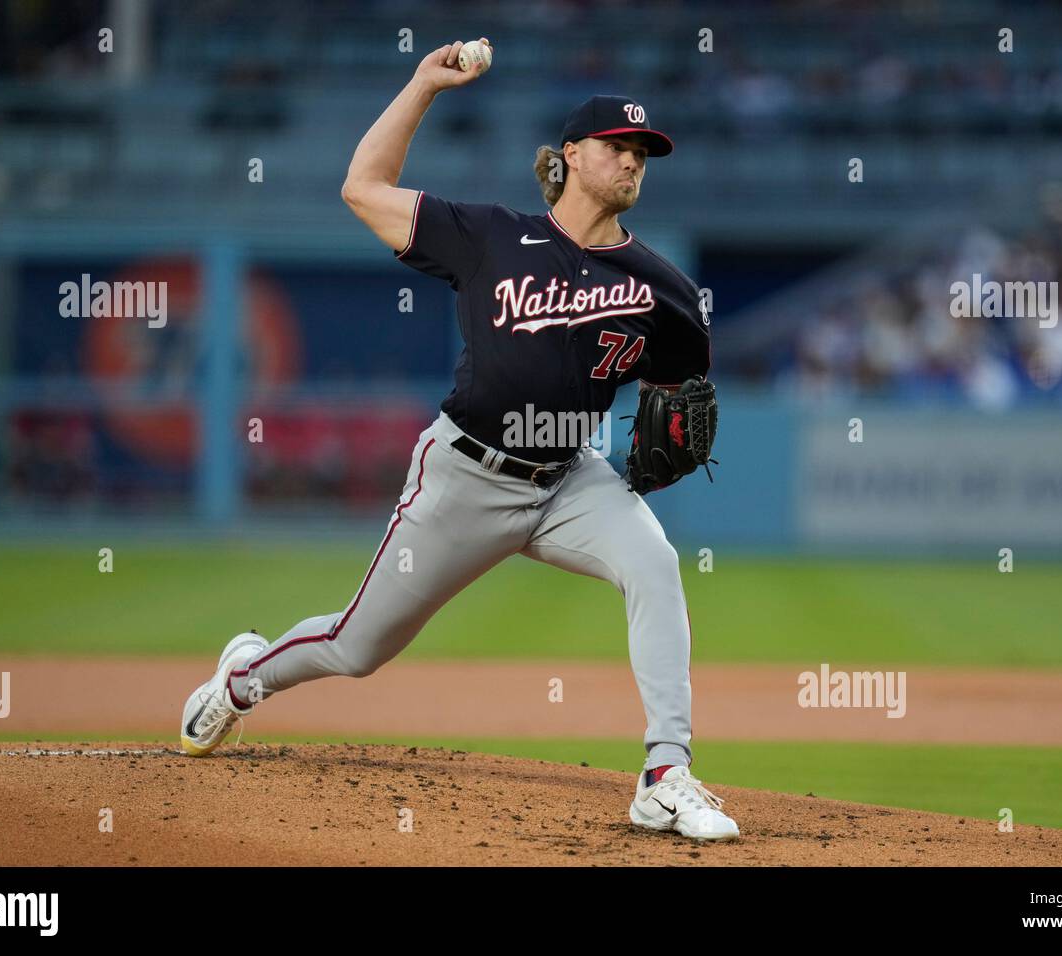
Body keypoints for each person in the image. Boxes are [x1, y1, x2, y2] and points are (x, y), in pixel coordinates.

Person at [179, 38, 737, 841]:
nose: (633, 161)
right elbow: (361, 188)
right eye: (618, 146)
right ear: (572, 155)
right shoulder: (488, 236)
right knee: (356, 647)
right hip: (464, 478)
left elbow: (678, 391)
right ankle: (242, 681)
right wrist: (421, 85)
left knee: (654, 561)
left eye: (643, 152)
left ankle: (664, 773)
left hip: (569, 479)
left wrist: (665, 430)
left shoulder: (665, 289)